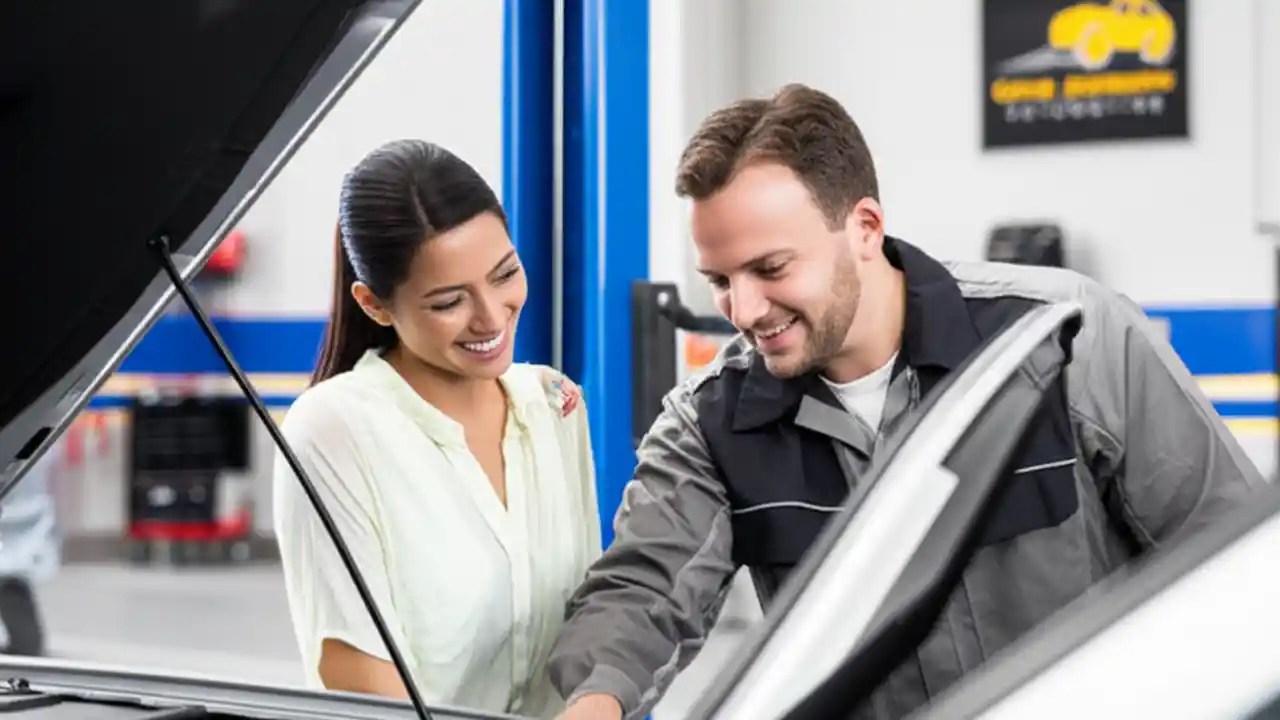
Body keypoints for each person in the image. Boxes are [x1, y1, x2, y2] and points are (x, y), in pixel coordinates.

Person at [548, 83, 1266, 720]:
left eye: (770, 268)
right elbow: (644, 590)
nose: (743, 308)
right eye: (719, 279)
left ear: (863, 227)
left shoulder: (1068, 340)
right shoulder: (712, 423)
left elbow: (1232, 560)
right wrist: (595, 702)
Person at [272, 139, 601, 719]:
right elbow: (356, 676)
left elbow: (589, 624)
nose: (492, 316)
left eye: (505, 275)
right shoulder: (332, 431)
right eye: (450, 301)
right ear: (374, 305)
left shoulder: (553, 404)